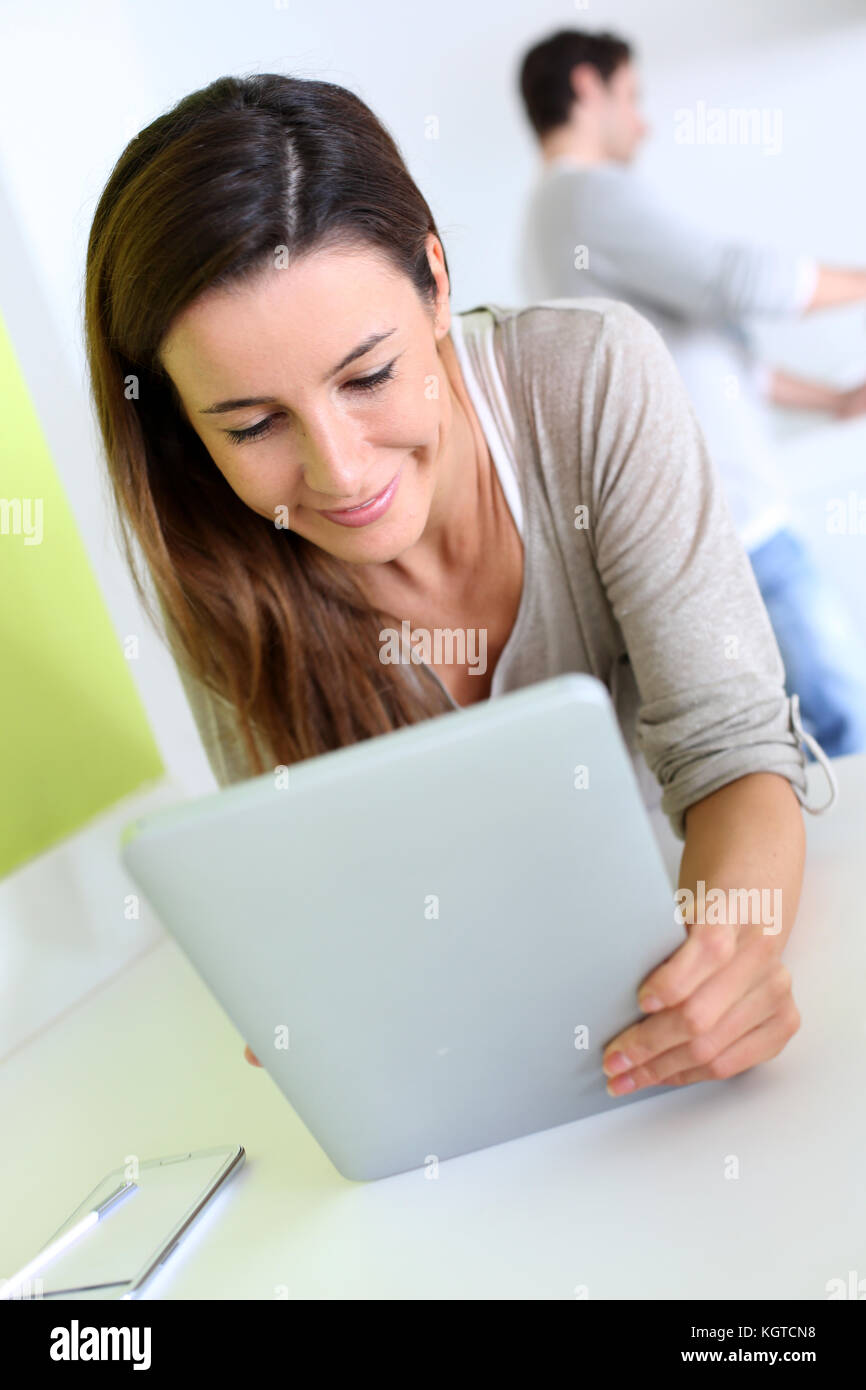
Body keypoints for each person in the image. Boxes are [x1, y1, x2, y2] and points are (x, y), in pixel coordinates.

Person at [85, 73, 833, 1099]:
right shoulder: (215, 550)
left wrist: (722, 967)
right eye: (253, 425)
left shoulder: (587, 379)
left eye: (367, 375)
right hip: (496, 1067)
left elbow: (728, 750)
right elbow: (325, 881)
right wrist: (319, 985)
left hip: (670, 950)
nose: (340, 471)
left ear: (433, 281)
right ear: (180, 420)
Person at [518, 28, 866, 758]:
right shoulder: (584, 198)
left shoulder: (555, 224)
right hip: (737, 534)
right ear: (587, 87)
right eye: (632, 96)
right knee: (839, 735)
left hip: (728, 528)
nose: (643, 121)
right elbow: (734, 279)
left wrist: (832, 402)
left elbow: (706, 354)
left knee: (812, 743)